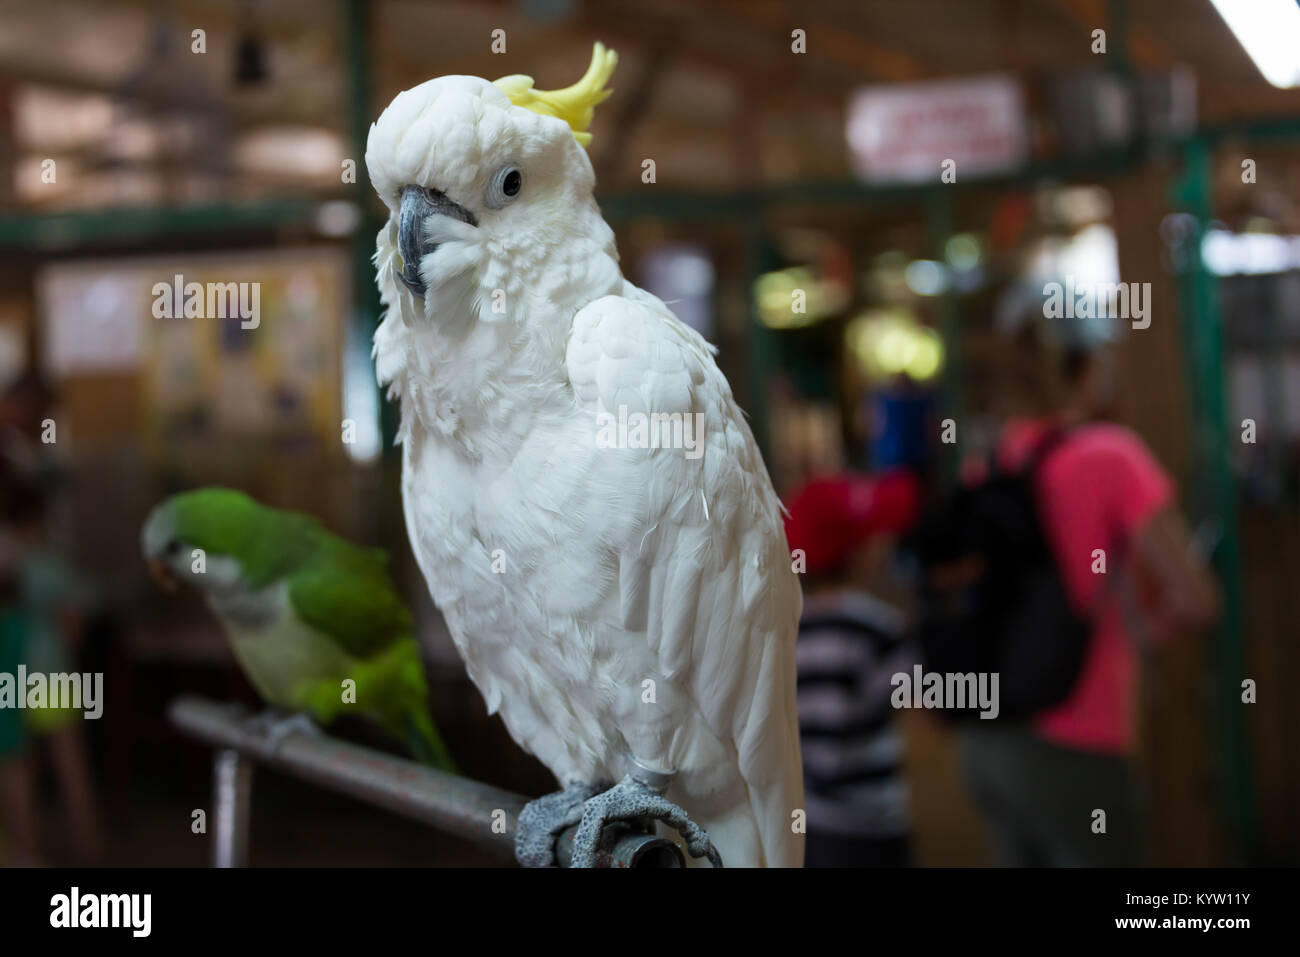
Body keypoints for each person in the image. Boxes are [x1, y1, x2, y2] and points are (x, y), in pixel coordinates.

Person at [955, 280, 1220, 867]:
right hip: (1078, 743)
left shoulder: (993, 460)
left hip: (988, 745)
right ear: (1087, 362)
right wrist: (1134, 634)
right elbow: (1195, 598)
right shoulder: (1112, 455)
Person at [784, 469, 921, 867]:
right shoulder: (875, 627)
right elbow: (920, 698)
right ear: (858, 551)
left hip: (811, 821)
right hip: (872, 821)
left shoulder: (785, 631)